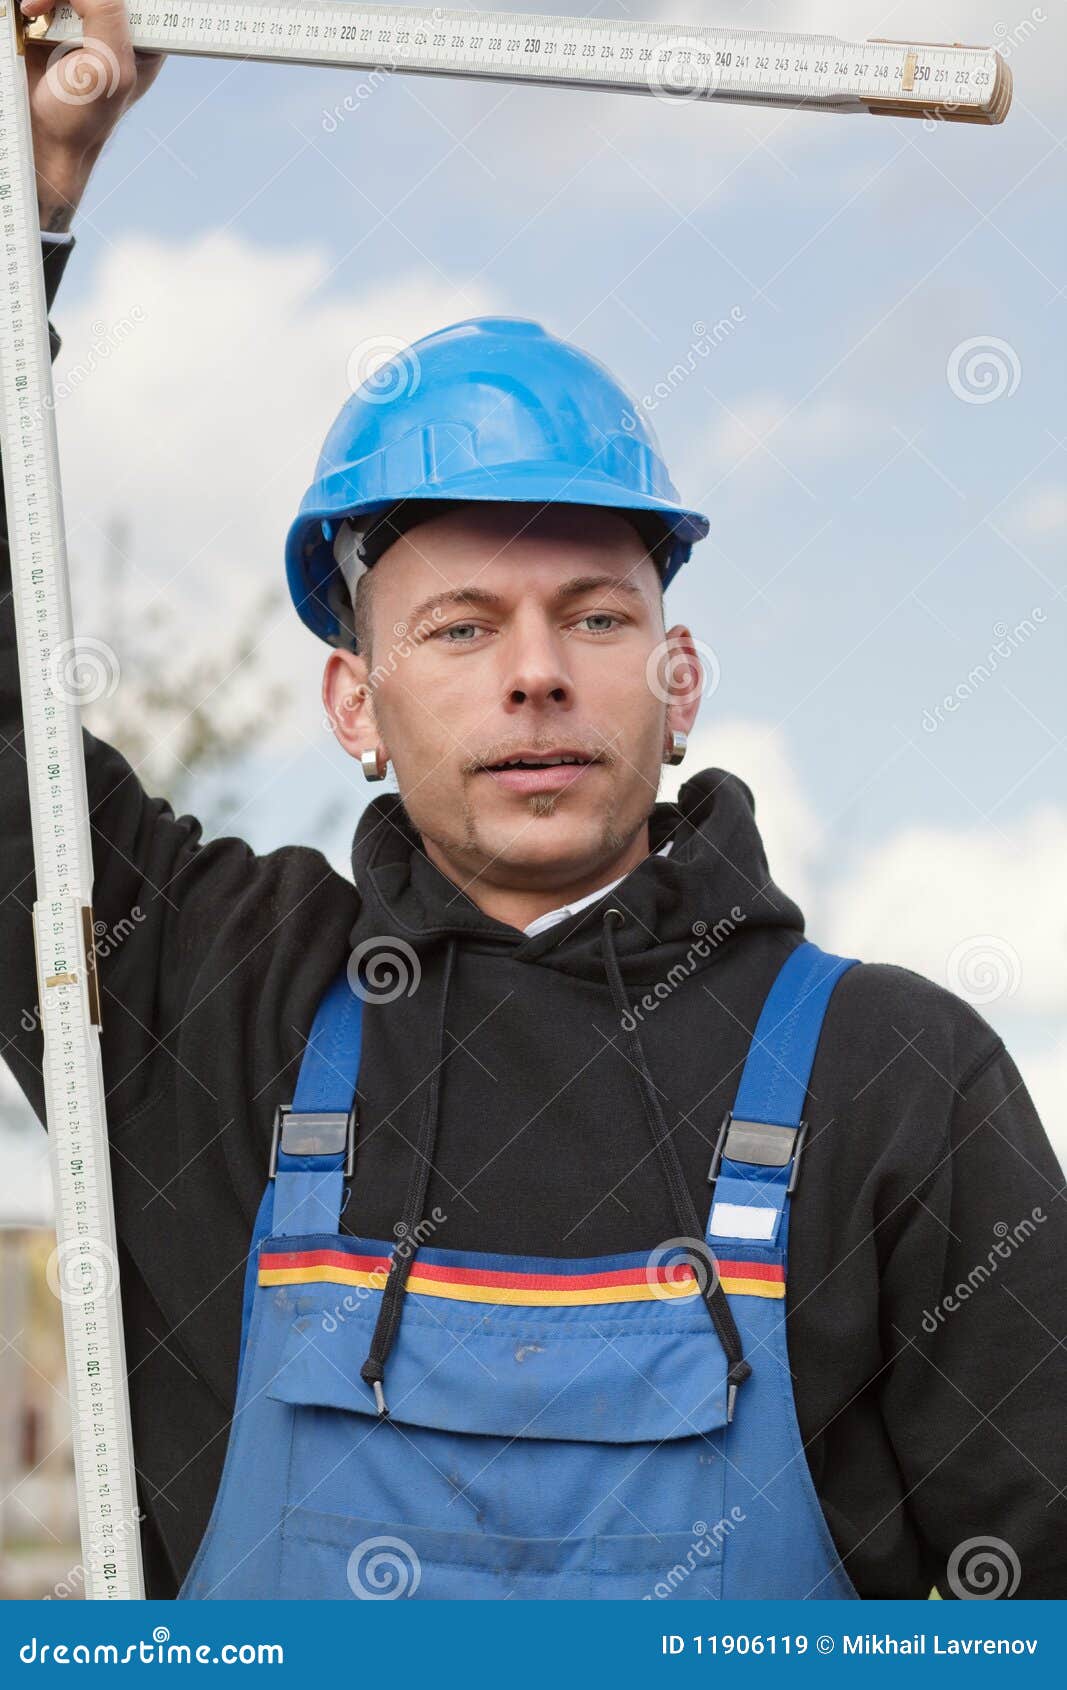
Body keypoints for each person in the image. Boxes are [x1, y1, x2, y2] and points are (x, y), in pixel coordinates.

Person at [2, 0, 1064, 1603]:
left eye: (593, 613)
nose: (535, 674)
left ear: (678, 675)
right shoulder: (202, 1002)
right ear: (354, 700)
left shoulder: (900, 1082)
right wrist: (25, 207)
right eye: (459, 627)